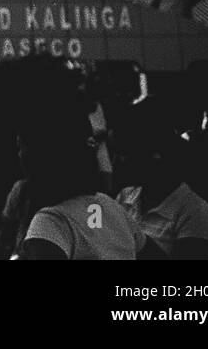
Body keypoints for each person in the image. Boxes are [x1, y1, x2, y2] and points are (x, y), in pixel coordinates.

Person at [17, 106, 137, 260]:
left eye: (21, 147)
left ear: (37, 156)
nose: (19, 155)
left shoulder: (50, 222)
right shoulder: (110, 205)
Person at [116, 103, 208, 259]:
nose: (123, 161)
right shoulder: (126, 196)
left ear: (156, 158)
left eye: (131, 154)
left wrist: (137, 239)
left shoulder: (197, 213)